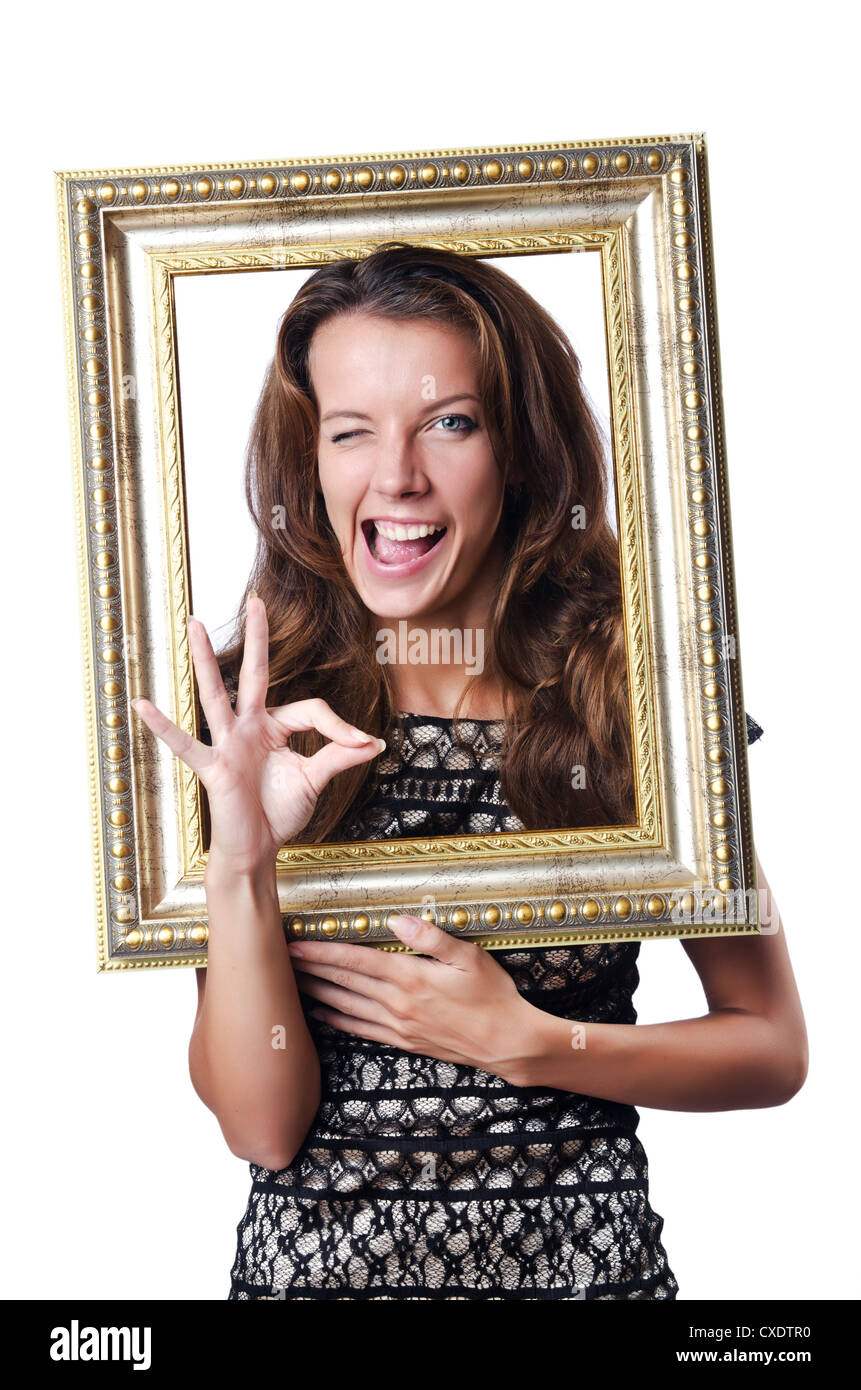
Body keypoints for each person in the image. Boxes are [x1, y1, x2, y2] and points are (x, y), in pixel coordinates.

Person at [131, 242, 808, 1299]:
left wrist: (536, 1043)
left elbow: (769, 1046)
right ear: (310, 458)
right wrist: (241, 864)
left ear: (523, 450)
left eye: (450, 423)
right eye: (350, 431)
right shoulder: (248, 720)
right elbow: (262, 1126)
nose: (396, 476)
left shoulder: (634, 703)